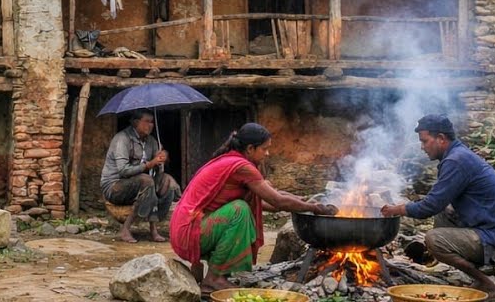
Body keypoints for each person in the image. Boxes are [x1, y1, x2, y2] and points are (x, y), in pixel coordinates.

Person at [170, 122, 336, 295]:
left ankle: (218, 275)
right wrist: (316, 208)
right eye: (264, 149)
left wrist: (301, 200)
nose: (267, 153)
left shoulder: (234, 160)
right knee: (239, 210)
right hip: (188, 232)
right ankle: (213, 280)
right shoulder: (242, 167)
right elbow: (277, 200)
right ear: (250, 148)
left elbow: (268, 200)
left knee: (242, 207)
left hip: (187, 228)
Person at [381, 114, 495, 298]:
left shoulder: (456, 161)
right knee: (443, 212)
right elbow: (437, 202)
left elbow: (429, 207)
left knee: (435, 239)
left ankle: (486, 283)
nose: (422, 147)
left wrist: (398, 209)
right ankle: (478, 267)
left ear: (441, 138)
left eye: (425, 141)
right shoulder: (458, 156)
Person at [100, 110, 179, 243]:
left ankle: (154, 228)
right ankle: (125, 229)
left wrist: (163, 156)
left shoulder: (152, 141)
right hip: (115, 186)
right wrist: (149, 165)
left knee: (168, 182)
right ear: (136, 123)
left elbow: (159, 166)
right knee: (146, 181)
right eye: (147, 121)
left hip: (140, 184)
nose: (151, 125)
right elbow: (123, 170)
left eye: (152, 122)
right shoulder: (122, 139)